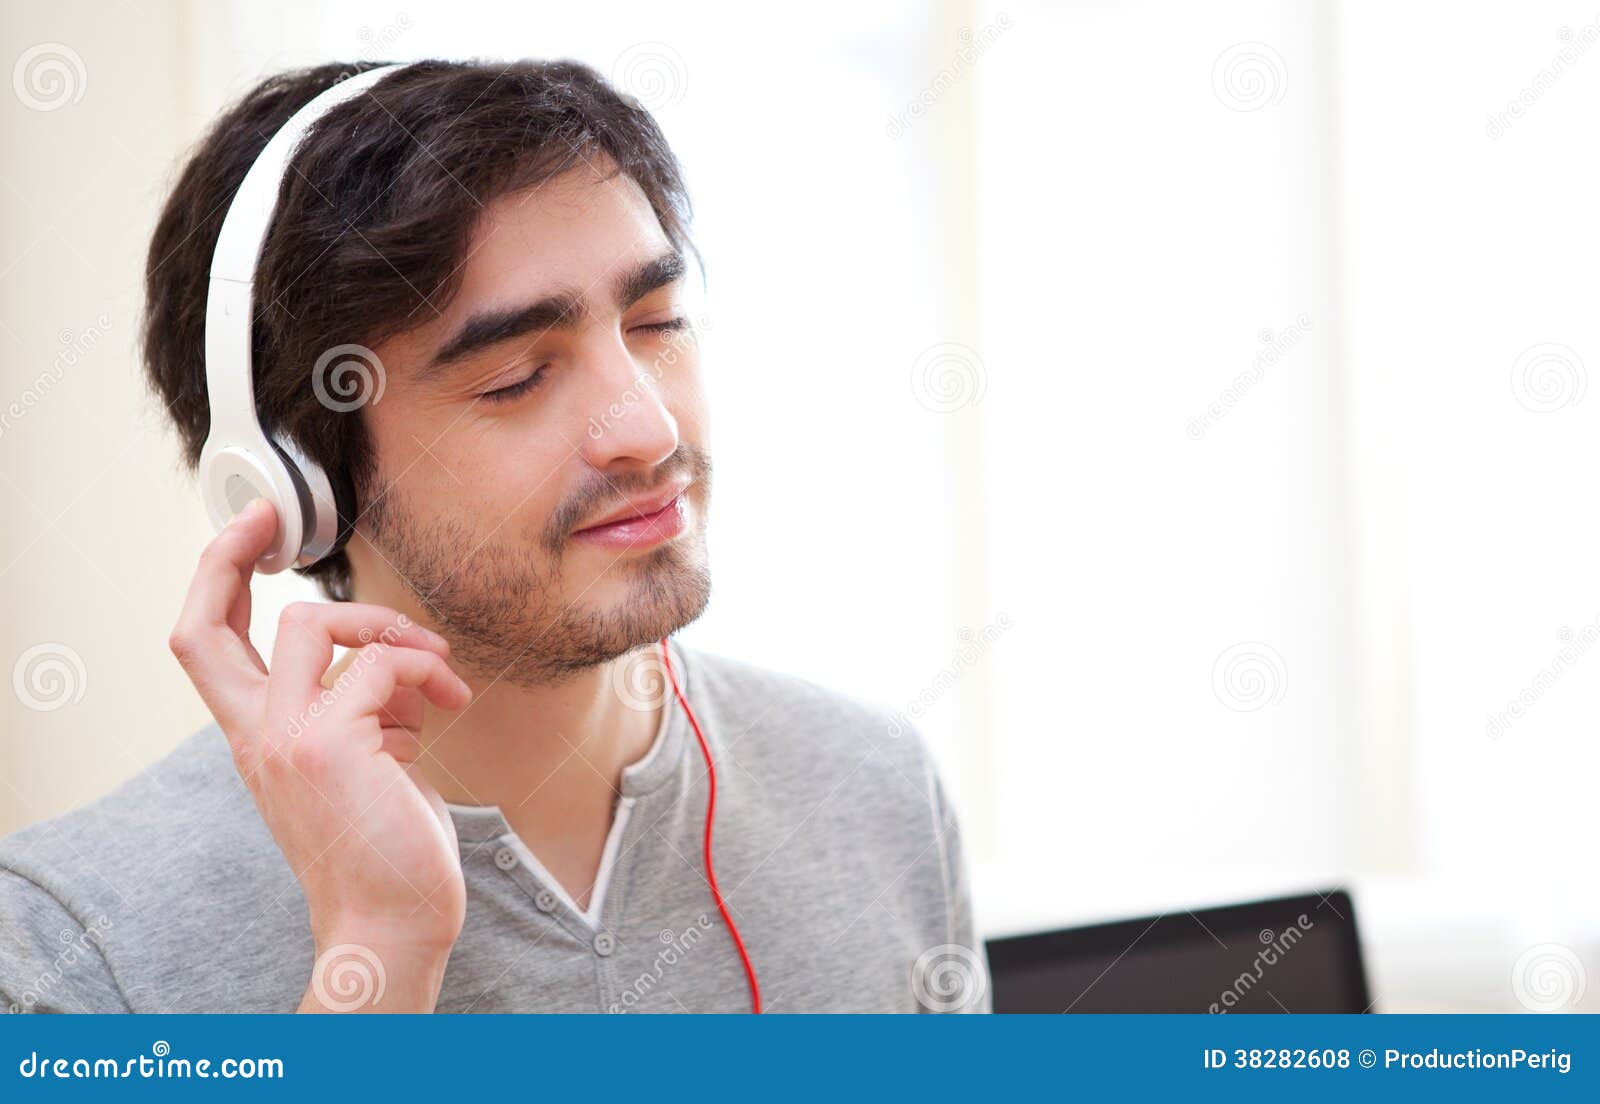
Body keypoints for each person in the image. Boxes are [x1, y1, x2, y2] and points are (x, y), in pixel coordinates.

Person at [0, 58, 985, 1013]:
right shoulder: (75, 949)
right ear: (303, 477)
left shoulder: (877, 793)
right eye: (516, 376)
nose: (646, 430)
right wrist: (375, 956)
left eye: (656, 322)